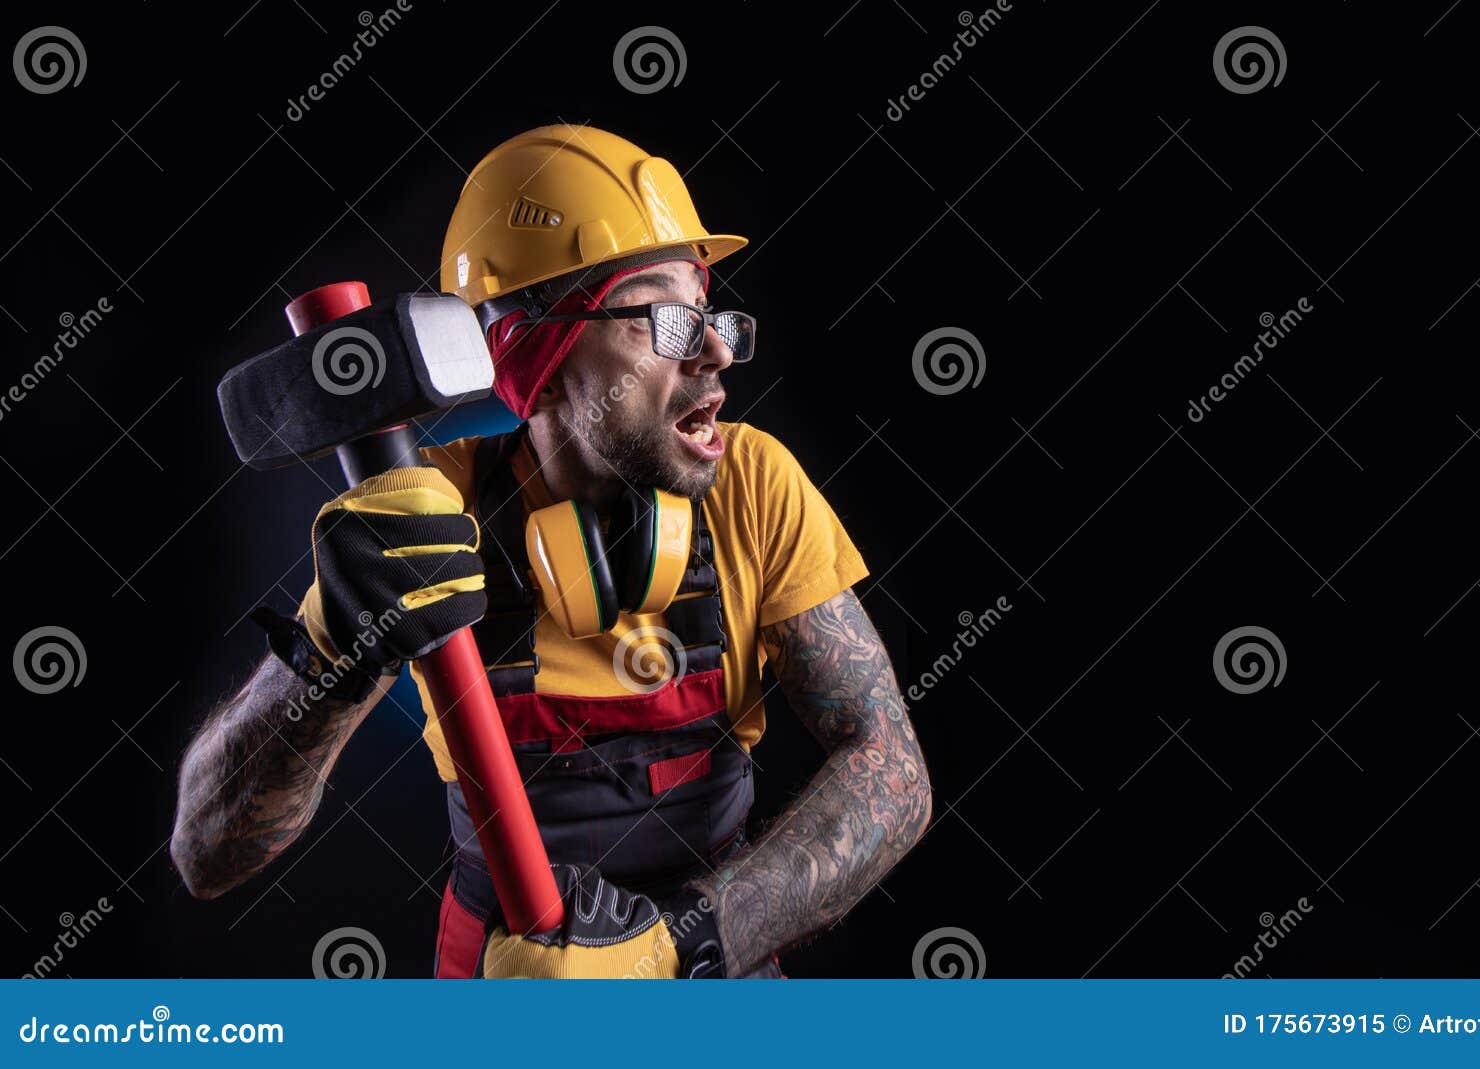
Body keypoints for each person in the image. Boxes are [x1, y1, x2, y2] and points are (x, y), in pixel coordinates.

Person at [171, 125, 932, 978]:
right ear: (536, 344)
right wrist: (333, 644)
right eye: (666, 319)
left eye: (710, 313)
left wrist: (674, 949)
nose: (718, 349)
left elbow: (892, 772)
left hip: (719, 972)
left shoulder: (752, 485)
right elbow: (208, 853)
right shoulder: (425, 514)